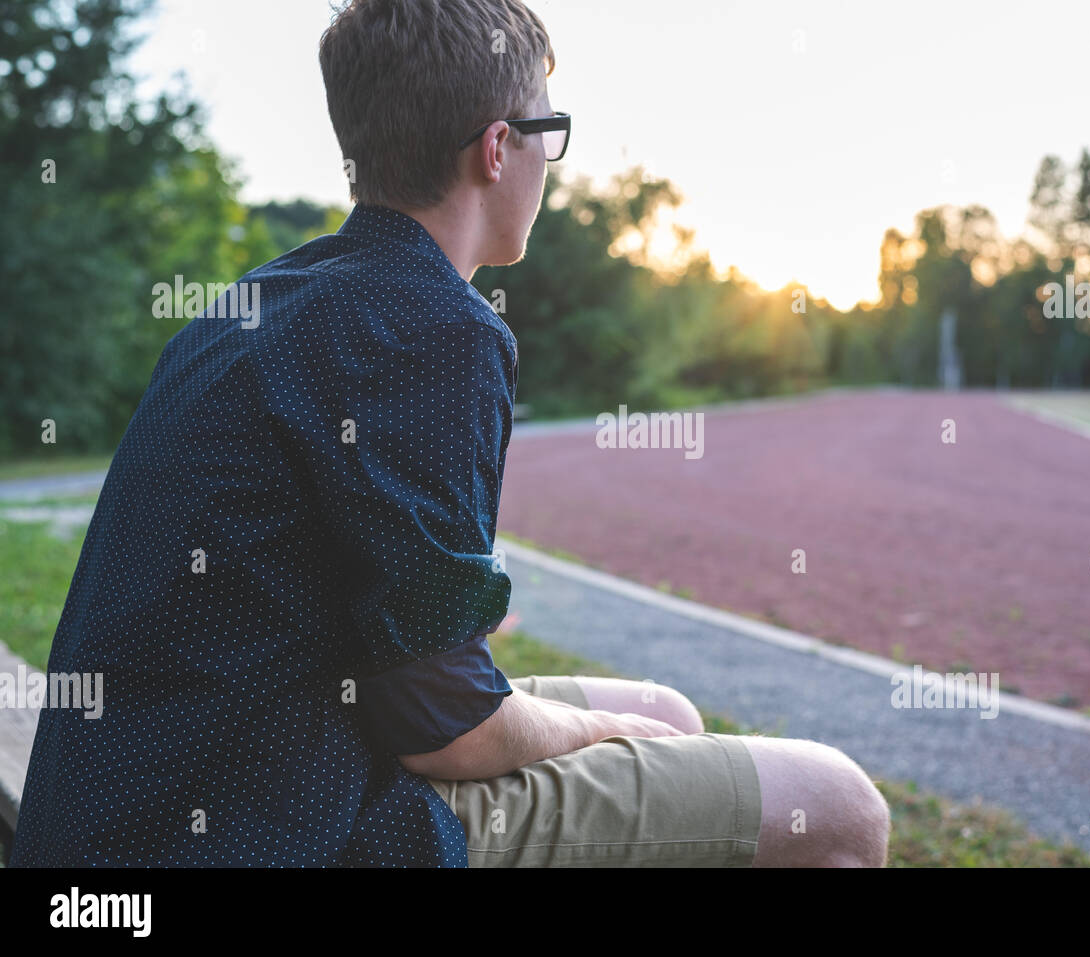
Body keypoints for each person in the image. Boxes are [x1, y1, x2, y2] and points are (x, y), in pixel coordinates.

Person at [11, 0, 890, 868]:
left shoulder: (256, 304)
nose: (551, 162)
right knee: (838, 804)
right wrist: (588, 730)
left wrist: (592, 720)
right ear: (497, 148)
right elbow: (445, 726)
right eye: (548, 131)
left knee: (666, 716)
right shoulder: (435, 327)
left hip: (134, 809)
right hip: (268, 827)